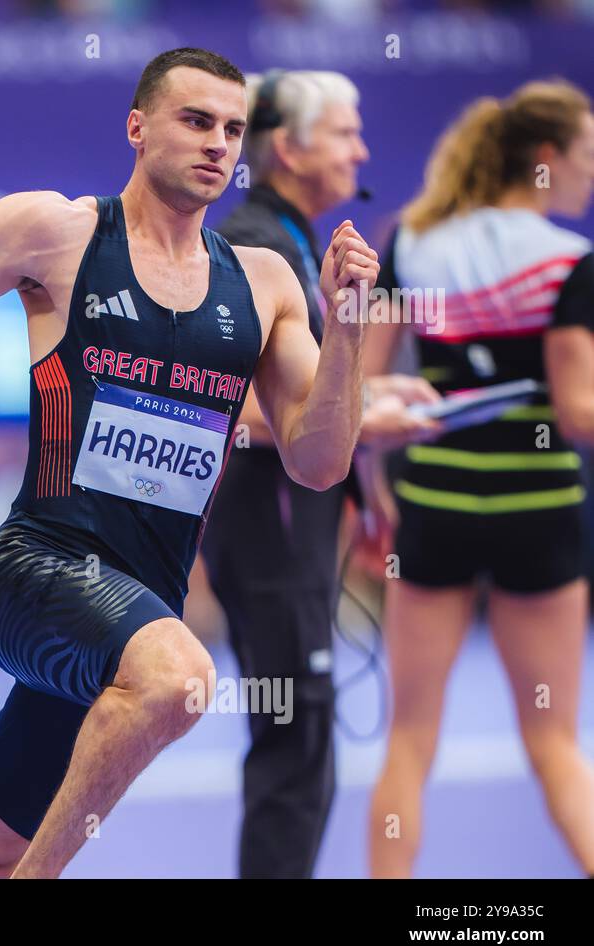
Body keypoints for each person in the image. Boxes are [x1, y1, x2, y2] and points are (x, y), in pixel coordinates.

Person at [0, 47, 381, 878]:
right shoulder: (57, 233)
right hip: (39, 565)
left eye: (234, 129)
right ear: (138, 128)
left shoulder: (265, 283)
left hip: (139, 601)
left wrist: (348, 329)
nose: (218, 143)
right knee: (178, 680)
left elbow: (318, 461)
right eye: (196, 120)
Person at [201, 69, 442, 878]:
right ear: (289, 148)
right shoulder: (257, 242)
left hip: (289, 524)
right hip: (263, 523)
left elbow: (309, 390)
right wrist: (371, 420)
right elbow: (223, 404)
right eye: (345, 131)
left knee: (302, 743)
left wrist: (374, 406)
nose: (363, 148)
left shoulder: (291, 239)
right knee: (294, 743)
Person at [365, 80, 594, 877]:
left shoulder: (414, 243)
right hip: (541, 511)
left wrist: (372, 493)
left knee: (409, 737)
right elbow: (577, 413)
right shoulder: (569, 261)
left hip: (434, 505)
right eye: (588, 156)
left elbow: (365, 392)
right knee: (555, 740)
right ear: (545, 160)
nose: (592, 175)